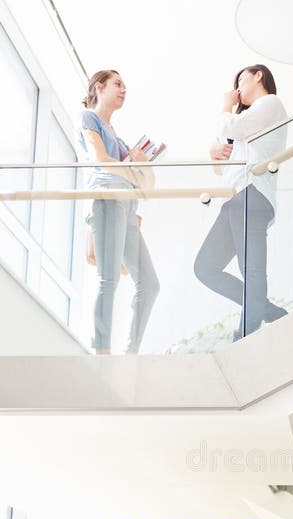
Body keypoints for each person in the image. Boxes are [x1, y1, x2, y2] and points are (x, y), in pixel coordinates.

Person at [193, 65, 288, 340]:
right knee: (205, 267)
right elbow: (220, 168)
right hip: (237, 197)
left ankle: (245, 335)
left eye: (241, 81)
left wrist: (225, 104)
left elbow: (234, 126)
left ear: (259, 75)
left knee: (252, 270)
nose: (237, 89)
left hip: (254, 192)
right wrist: (214, 152)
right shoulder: (247, 121)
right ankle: (269, 312)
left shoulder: (270, 104)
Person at [78, 69, 160, 354]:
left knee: (149, 285)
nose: (124, 89)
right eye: (118, 84)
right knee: (109, 278)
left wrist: (141, 165)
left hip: (127, 205)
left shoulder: (121, 141)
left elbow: (147, 184)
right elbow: (101, 160)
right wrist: (134, 172)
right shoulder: (89, 117)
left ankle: (130, 352)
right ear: (99, 87)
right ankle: (101, 350)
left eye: (125, 85)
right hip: (108, 197)